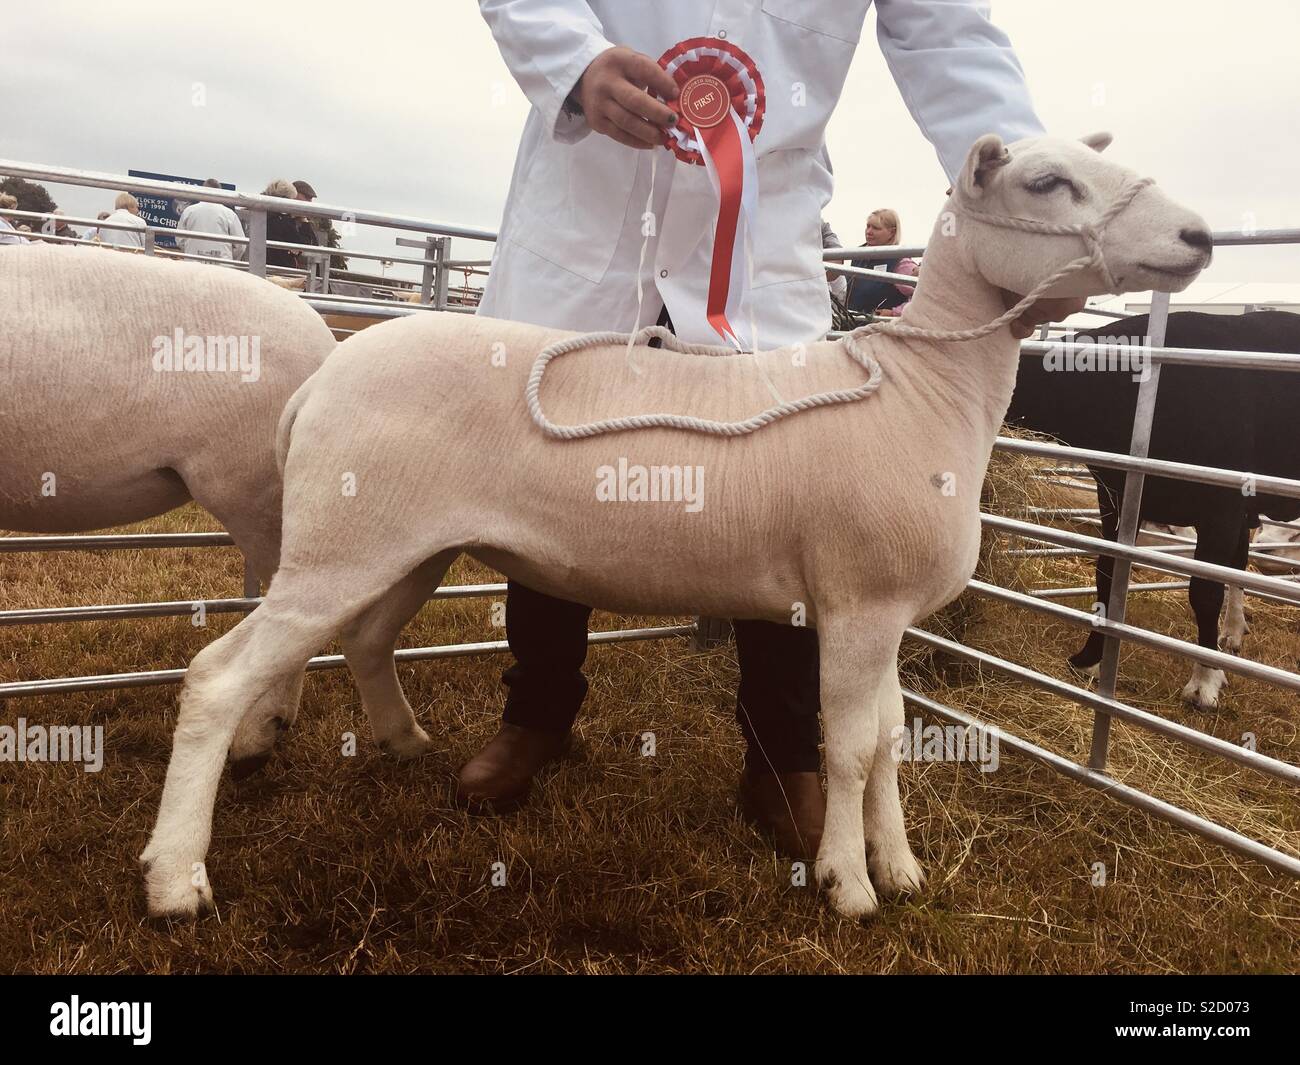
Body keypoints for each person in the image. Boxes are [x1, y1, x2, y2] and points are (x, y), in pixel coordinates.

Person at [469, 0, 1083, 858]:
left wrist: (1033, 198)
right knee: (559, 453)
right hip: (592, 204)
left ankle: (780, 754)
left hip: (758, 241)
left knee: (790, 482)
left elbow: (947, 32)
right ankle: (537, 711)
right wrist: (573, 64)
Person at [844, 208, 919, 318]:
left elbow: (923, 296)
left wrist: (895, 312)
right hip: (851, 325)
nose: (869, 231)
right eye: (868, 226)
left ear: (892, 232)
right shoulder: (857, 255)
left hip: (880, 330)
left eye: (876, 228)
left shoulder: (900, 262)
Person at [177, 179, 245, 260]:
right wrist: (229, 259)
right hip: (222, 266)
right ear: (220, 193)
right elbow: (241, 246)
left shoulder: (188, 211)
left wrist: (191, 252)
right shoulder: (230, 214)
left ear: (202, 192)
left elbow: (180, 240)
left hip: (193, 263)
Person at [262, 179, 317, 270]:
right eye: (307, 197)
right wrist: (304, 221)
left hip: (266, 268)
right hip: (282, 272)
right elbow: (304, 245)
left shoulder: (262, 213)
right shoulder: (283, 221)